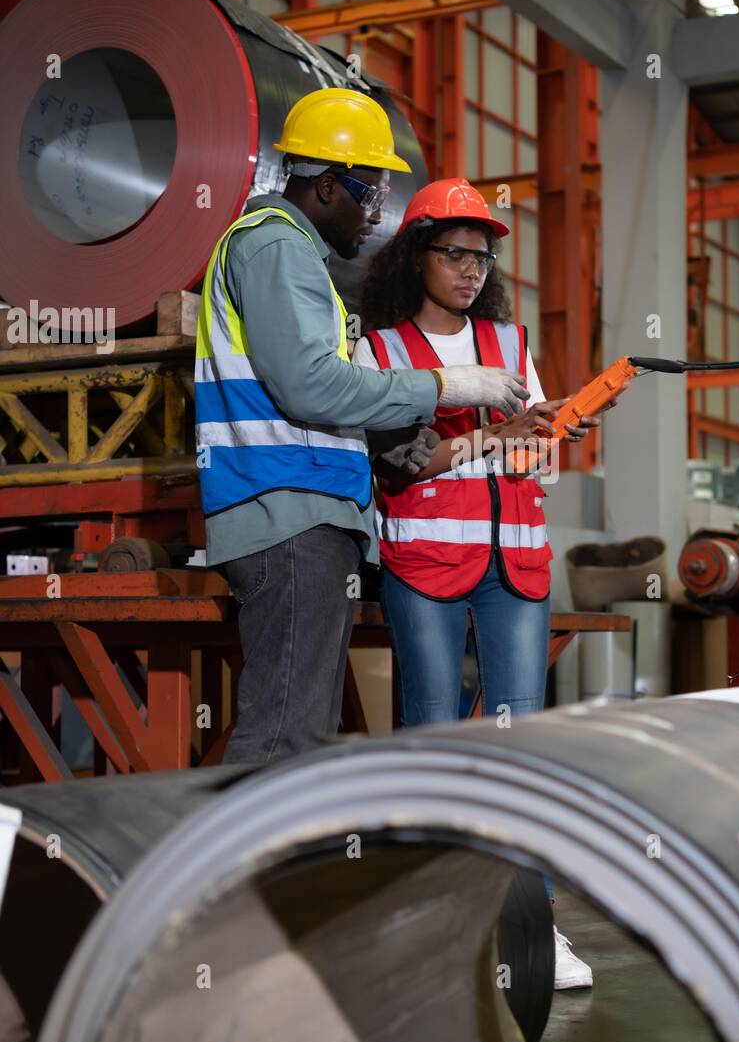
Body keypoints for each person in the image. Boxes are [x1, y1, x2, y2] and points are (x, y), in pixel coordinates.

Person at [195, 92, 530, 765]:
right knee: (283, 736)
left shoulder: (293, 257)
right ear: (325, 185)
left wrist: (400, 442)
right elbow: (309, 386)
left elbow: (311, 397)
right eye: (369, 190)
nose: (377, 211)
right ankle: (244, 869)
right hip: (286, 510)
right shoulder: (274, 247)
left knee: (299, 729)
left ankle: (266, 866)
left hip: (302, 512)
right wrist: (447, 385)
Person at [352, 177, 597, 989]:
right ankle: (438, 928)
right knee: (432, 734)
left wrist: (545, 432)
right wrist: (495, 433)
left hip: (515, 559)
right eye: (454, 253)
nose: (470, 271)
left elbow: (532, 461)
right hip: (424, 563)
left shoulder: (512, 345)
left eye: (482, 257)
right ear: (415, 255)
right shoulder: (378, 351)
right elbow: (396, 458)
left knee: (517, 740)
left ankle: (532, 929)